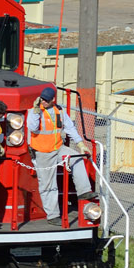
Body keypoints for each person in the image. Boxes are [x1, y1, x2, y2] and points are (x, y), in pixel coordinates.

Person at [27, 86, 93, 221]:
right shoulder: (36, 111)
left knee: (77, 158)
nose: (43, 102)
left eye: (46, 100)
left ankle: (84, 191)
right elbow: (32, 127)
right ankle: (53, 216)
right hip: (43, 152)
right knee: (48, 185)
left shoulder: (60, 111)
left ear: (53, 100)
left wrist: (80, 143)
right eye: (42, 99)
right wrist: (35, 111)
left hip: (58, 148)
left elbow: (70, 128)